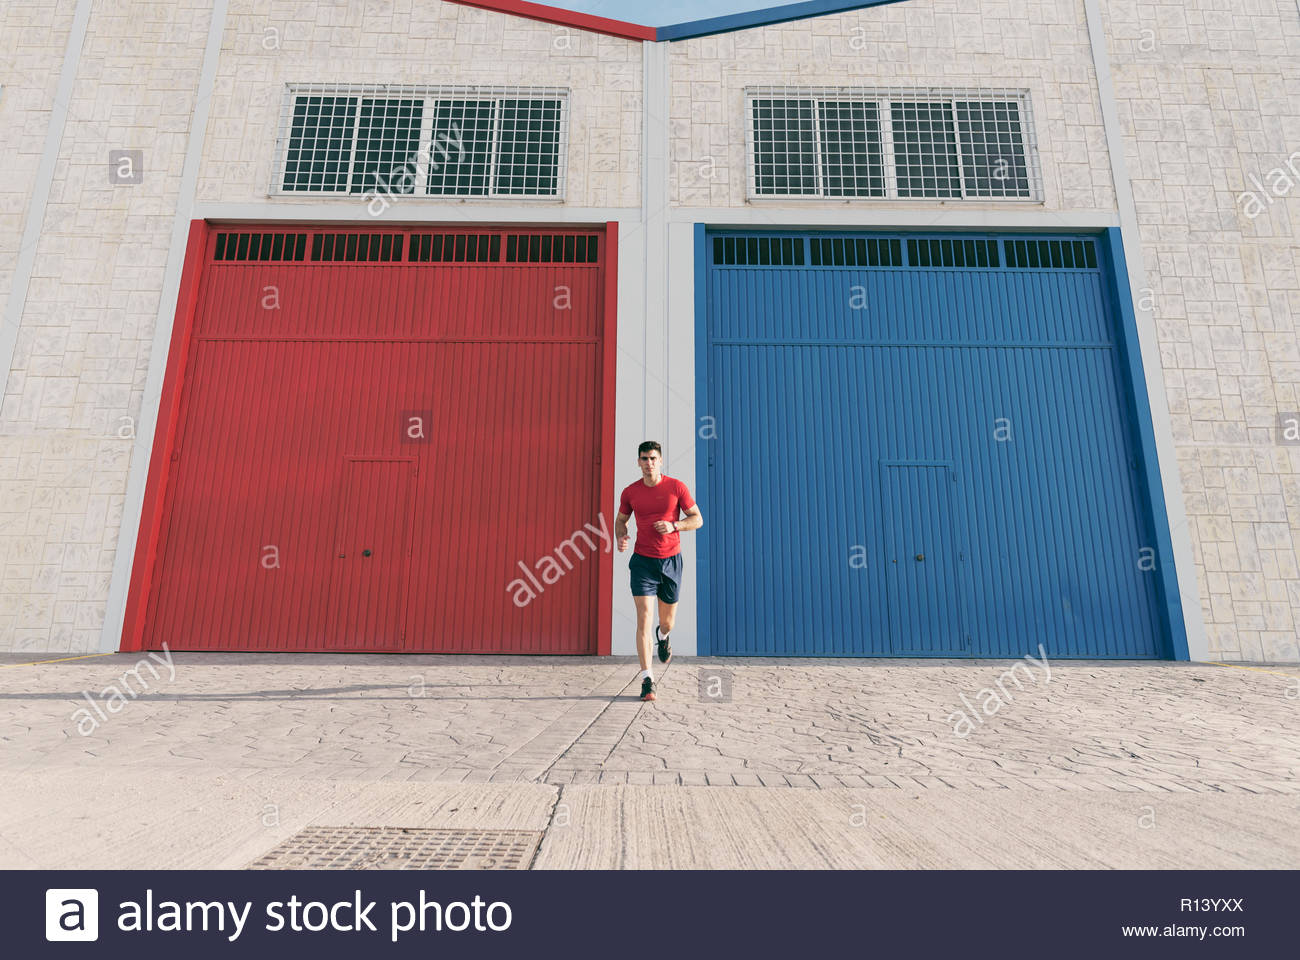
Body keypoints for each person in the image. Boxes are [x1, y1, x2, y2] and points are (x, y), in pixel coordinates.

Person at [615, 441, 702, 701]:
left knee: (666, 622)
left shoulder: (676, 487)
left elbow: (697, 518)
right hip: (642, 562)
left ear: (661, 461)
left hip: (671, 562)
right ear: (638, 462)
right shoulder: (630, 492)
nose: (649, 463)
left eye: (653, 458)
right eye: (644, 458)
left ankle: (663, 637)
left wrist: (675, 526)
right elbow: (621, 520)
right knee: (643, 618)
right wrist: (621, 535)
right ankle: (647, 680)